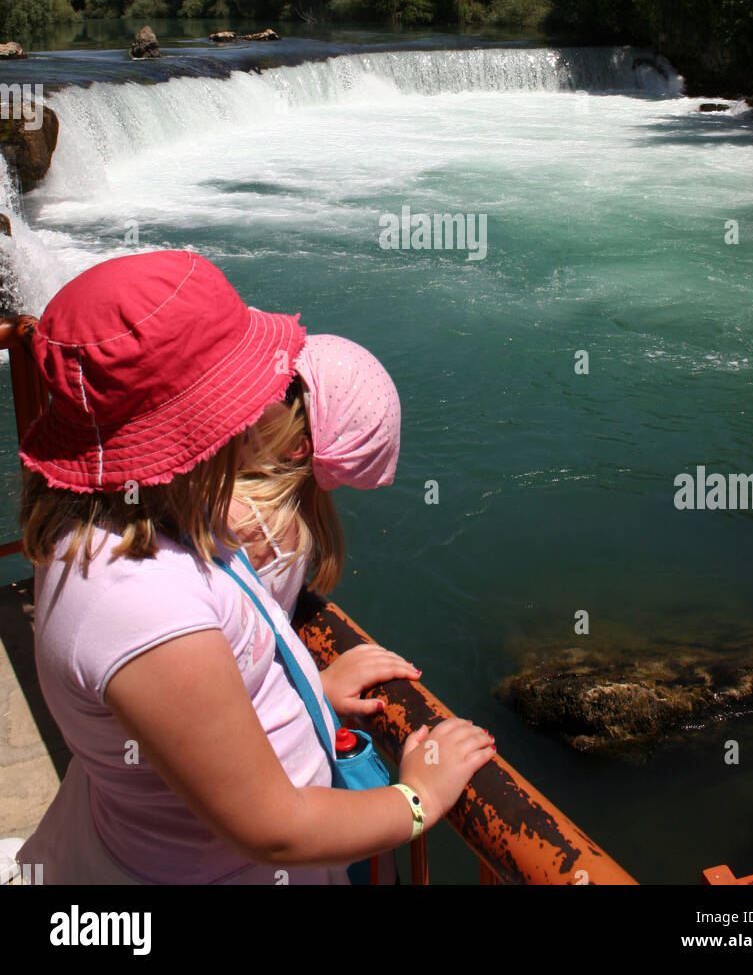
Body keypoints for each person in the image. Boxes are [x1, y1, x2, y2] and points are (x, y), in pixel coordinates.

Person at [14, 249, 496, 884]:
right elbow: (276, 828)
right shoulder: (141, 599)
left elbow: (196, 704)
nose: (268, 391)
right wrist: (418, 799)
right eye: (245, 380)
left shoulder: (151, 523)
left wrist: (308, 694)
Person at [228, 334, 412, 721]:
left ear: (297, 443)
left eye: (283, 382)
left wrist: (315, 686)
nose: (260, 373)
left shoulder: (242, 522)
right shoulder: (274, 518)